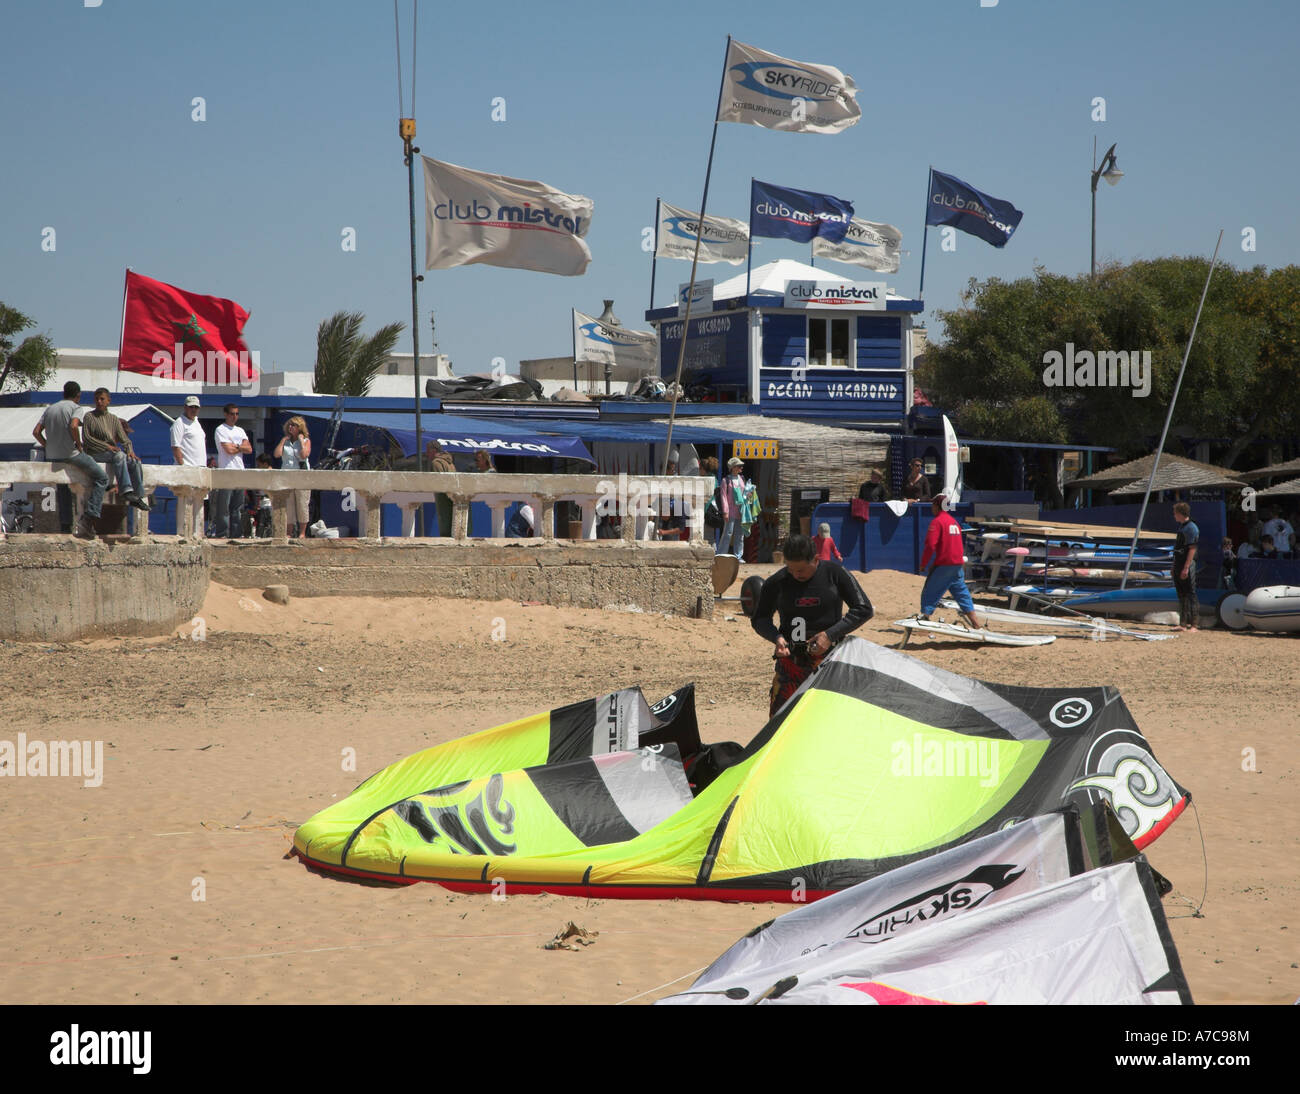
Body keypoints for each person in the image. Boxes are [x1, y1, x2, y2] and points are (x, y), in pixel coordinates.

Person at [751, 533, 874, 717]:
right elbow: (759, 619)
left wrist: (830, 634)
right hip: (790, 667)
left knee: (828, 721)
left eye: (800, 570)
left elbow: (864, 608)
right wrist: (776, 637)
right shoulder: (777, 582)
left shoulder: (835, 574)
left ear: (816, 560)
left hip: (830, 665)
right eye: (790, 569)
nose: (795, 574)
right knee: (781, 725)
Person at [33, 381, 108, 539]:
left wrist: (48, 446)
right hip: (70, 454)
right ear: (78, 395)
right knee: (102, 478)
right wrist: (79, 445)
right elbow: (74, 426)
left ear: (63, 393)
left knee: (63, 488)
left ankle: (66, 525)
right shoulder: (76, 408)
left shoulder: (50, 409)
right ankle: (90, 515)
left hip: (53, 456)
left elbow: (36, 432)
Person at [917, 494, 983, 630]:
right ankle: (976, 623)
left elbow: (930, 545)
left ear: (937, 506)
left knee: (930, 590)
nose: (931, 508)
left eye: (933, 505)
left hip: (945, 563)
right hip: (957, 564)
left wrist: (924, 564)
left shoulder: (937, 522)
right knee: (961, 592)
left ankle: (925, 619)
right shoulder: (954, 522)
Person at [80, 388, 151, 513]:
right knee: (119, 455)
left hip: (111, 453)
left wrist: (130, 451)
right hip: (95, 453)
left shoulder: (113, 419)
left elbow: (125, 439)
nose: (99, 402)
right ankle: (126, 491)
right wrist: (107, 446)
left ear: (108, 401)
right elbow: (87, 438)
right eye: (97, 399)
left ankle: (139, 497)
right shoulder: (89, 417)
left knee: (134, 462)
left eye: (102, 399)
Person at [212, 403, 252, 539]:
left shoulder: (240, 430)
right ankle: (222, 534)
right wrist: (241, 447)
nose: (235, 416)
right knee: (224, 506)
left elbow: (249, 449)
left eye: (237, 414)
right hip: (226, 471)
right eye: (232, 413)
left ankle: (236, 534)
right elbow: (228, 450)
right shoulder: (220, 429)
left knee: (237, 507)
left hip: (239, 471)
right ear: (226, 414)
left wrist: (236, 446)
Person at [274, 417, 312, 538]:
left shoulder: (306, 440)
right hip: (287, 475)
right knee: (288, 504)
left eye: (294, 425)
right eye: (289, 425)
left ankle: (302, 532)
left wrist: (301, 441)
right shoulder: (285, 441)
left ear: (299, 427)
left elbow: (304, 455)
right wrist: (282, 441)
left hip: (301, 476)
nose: (291, 427)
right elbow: (277, 454)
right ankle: (289, 532)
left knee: (302, 503)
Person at [1172, 501, 1199, 633]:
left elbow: (1192, 548)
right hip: (1179, 562)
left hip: (1187, 563)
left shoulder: (1191, 528)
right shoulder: (1182, 527)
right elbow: (1177, 548)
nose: (1174, 516)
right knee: (1181, 594)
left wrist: (1186, 567)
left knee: (1190, 593)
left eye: (1175, 513)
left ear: (1181, 514)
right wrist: (1174, 566)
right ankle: (1183, 623)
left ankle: (1194, 624)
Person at [716, 456, 748, 557]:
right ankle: (721, 555)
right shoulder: (726, 480)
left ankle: (738, 556)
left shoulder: (742, 478)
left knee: (740, 534)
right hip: (730, 511)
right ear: (733, 467)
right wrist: (725, 512)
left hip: (741, 511)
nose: (741, 468)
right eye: (739, 466)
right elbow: (723, 496)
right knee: (728, 533)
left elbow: (745, 493)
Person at [171, 395, 207, 466]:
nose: (194, 409)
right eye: (191, 407)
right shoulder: (179, 422)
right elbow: (175, 447)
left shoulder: (196, 421)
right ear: (185, 407)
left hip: (201, 467)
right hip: (188, 468)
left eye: (196, 407)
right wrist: (183, 467)